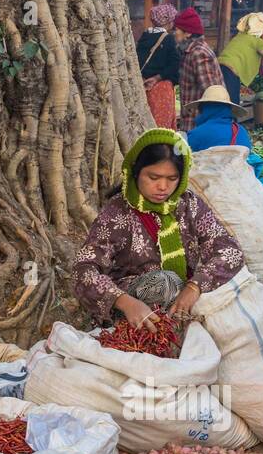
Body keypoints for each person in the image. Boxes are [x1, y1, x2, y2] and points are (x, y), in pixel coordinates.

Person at [74, 129, 246, 328]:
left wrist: (195, 286)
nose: (163, 187)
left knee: (238, 284)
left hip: (183, 291)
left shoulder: (188, 205)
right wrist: (125, 302)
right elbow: (83, 270)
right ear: (136, 172)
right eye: (154, 177)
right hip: (134, 304)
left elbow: (230, 251)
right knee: (166, 283)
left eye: (172, 179)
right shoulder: (117, 212)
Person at [217, 12, 263, 103]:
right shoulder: (257, 42)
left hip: (218, 66)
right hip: (231, 69)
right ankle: (231, 117)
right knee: (232, 100)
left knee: (220, 96)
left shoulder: (239, 36)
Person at [173, 7, 222, 131]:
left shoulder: (199, 53)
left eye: (177, 29)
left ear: (188, 33)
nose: (174, 33)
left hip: (199, 124)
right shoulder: (190, 51)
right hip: (192, 120)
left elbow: (212, 94)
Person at [138, 3, 180, 129]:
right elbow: (175, 64)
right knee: (162, 127)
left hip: (144, 87)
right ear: (168, 21)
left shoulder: (144, 37)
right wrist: (158, 77)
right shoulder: (168, 39)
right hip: (161, 88)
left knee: (147, 124)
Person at [185, 84, 251, 152]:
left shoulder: (196, 134)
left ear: (205, 108)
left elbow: (182, 158)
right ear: (228, 109)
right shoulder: (241, 131)